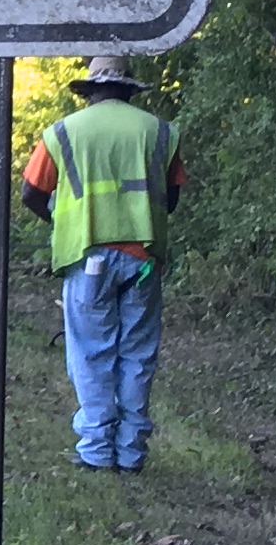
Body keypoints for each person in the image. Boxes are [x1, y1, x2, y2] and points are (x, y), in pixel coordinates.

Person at [20, 55, 187, 472]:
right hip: (143, 260)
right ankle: (131, 452)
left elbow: (30, 193)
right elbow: (174, 197)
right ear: (130, 88)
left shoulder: (62, 133)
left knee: (92, 353)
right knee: (137, 354)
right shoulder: (159, 132)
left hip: (87, 255)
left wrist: (66, 222)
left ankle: (96, 451)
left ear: (89, 91)